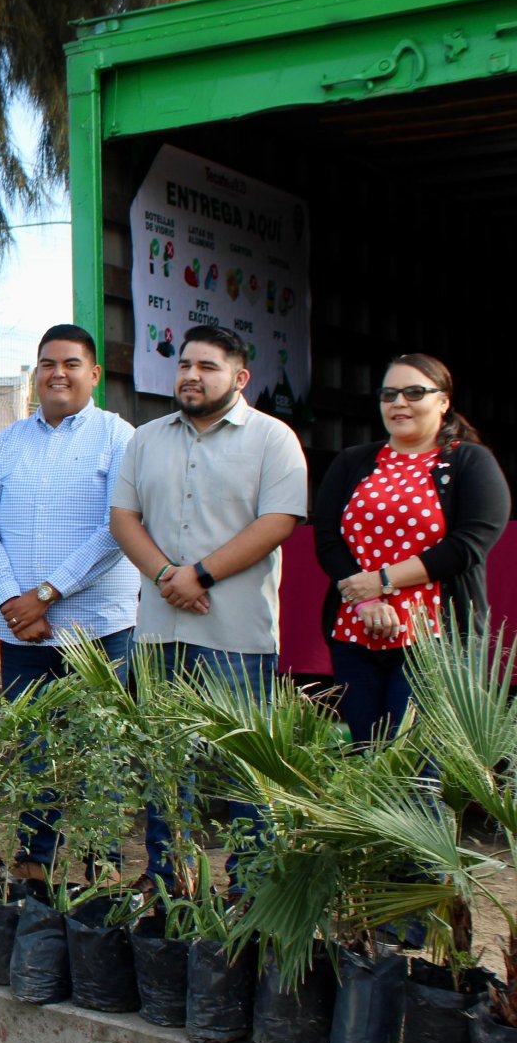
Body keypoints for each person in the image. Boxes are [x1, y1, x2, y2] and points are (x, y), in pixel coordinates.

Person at [110, 325, 308, 880]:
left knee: (245, 769)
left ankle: (250, 889)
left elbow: (278, 521)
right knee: (164, 764)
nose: (191, 376)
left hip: (236, 634)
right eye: (184, 365)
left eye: (207, 367)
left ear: (240, 378)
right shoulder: (146, 439)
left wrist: (200, 575)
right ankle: (168, 881)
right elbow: (123, 519)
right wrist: (166, 575)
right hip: (158, 631)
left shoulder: (273, 438)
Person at [0, 325, 139, 874]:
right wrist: (13, 602)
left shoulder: (119, 438)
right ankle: (35, 859)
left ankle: (100, 864)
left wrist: (45, 595)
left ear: (94, 374)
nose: (57, 373)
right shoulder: (4, 445)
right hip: (23, 631)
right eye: (47, 364)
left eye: (71, 364)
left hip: (100, 627)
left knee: (100, 746)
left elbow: (117, 530)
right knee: (32, 747)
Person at [314, 353, 509, 746]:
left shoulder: (470, 461)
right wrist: (366, 601)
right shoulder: (353, 461)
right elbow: (327, 539)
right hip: (356, 629)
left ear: (444, 401)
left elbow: (468, 545)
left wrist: (382, 581)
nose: (399, 403)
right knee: (367, 755)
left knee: (418, 763)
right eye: (389, 394)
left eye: (414, 392)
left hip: (435, 642)